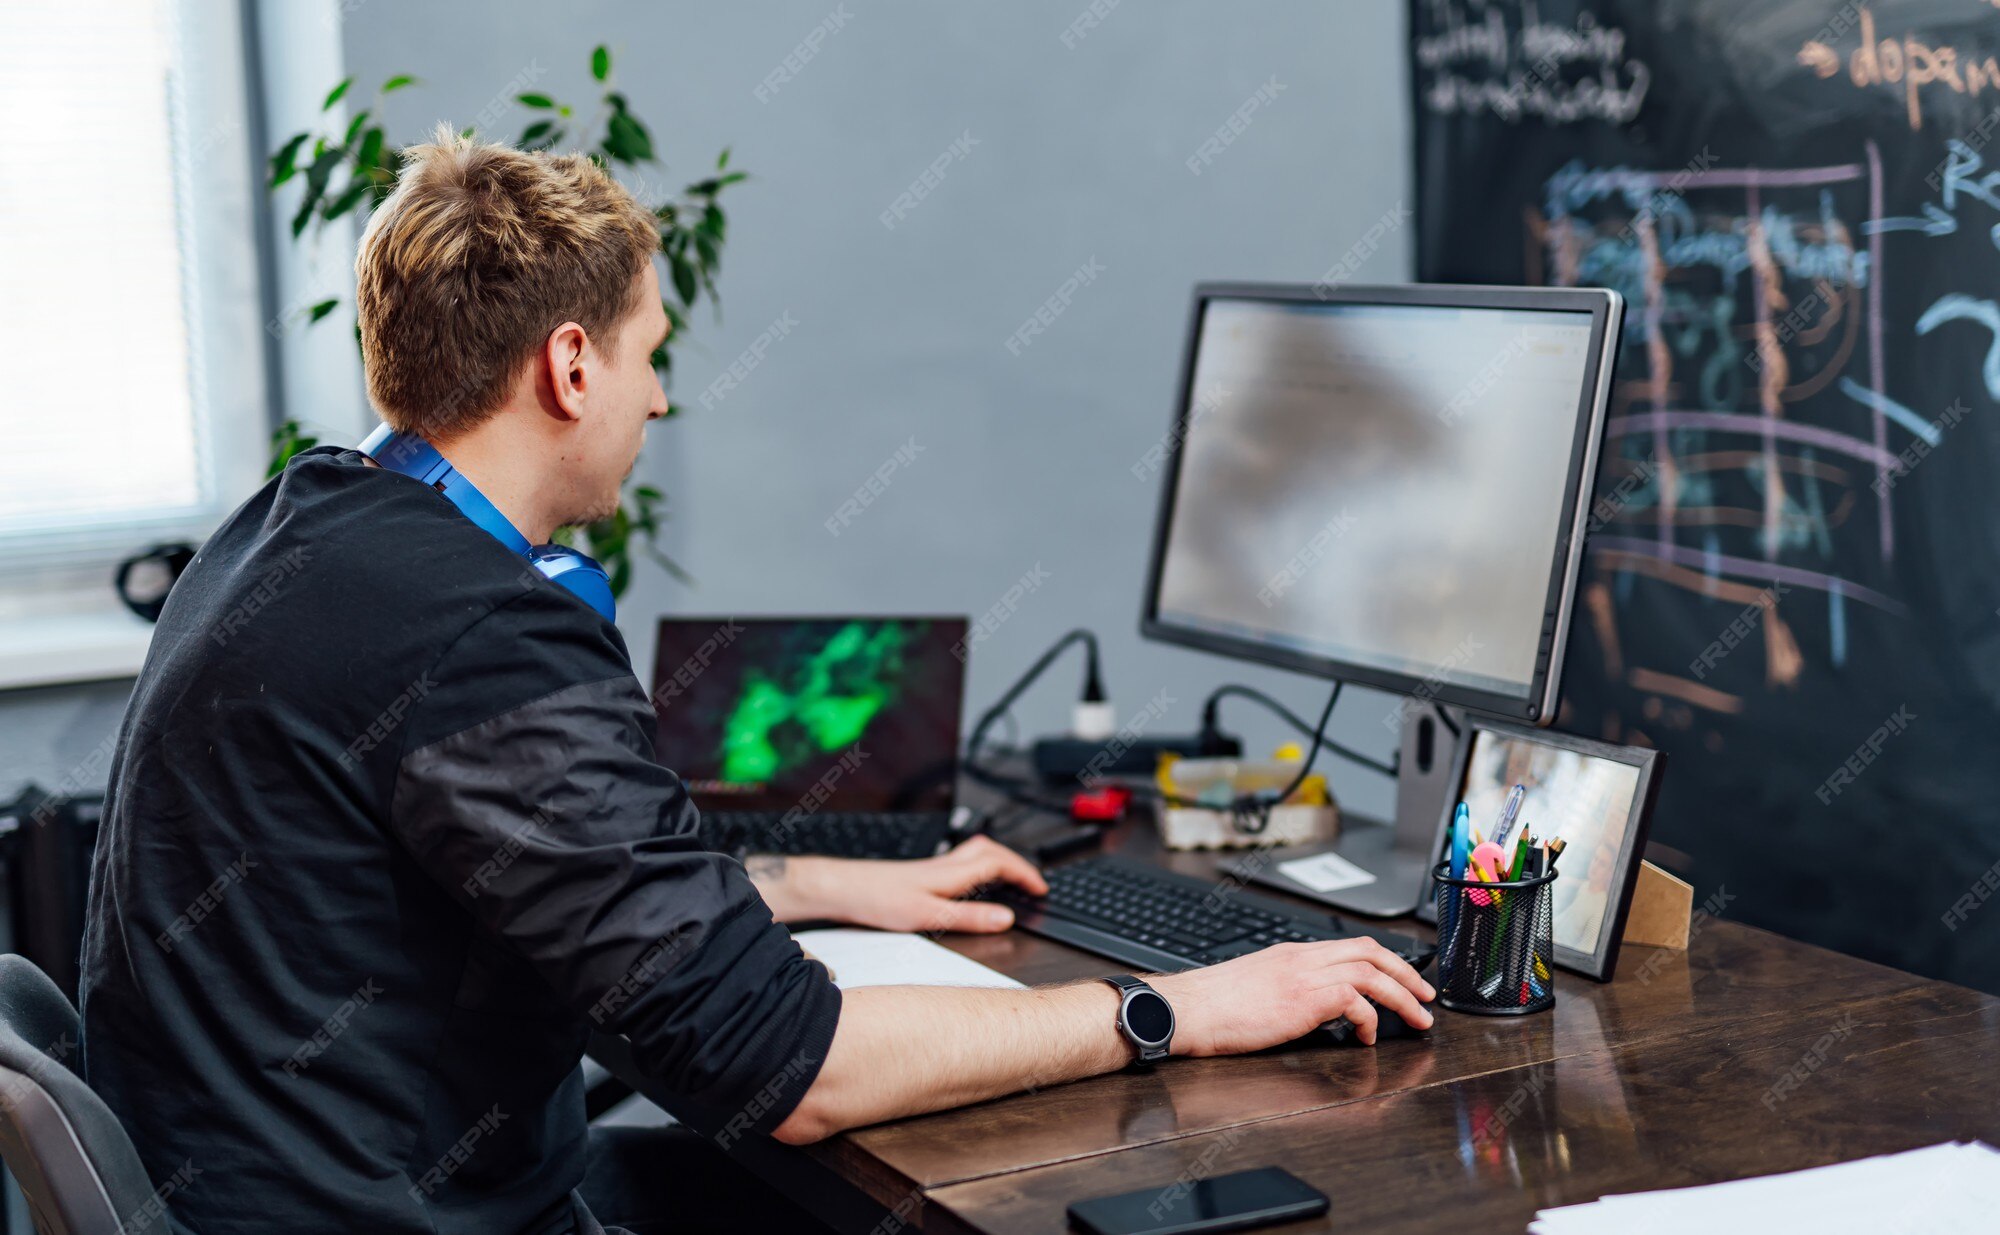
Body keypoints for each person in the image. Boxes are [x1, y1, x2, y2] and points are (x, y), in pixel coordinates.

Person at [79, 130, 1434, 1235]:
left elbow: (545, 871)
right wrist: (1175, 1009)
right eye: (648, 352)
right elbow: (795, 1070)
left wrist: (834, 885)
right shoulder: (475, 627)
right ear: (569, 364)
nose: (658, 400)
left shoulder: (301, 527)